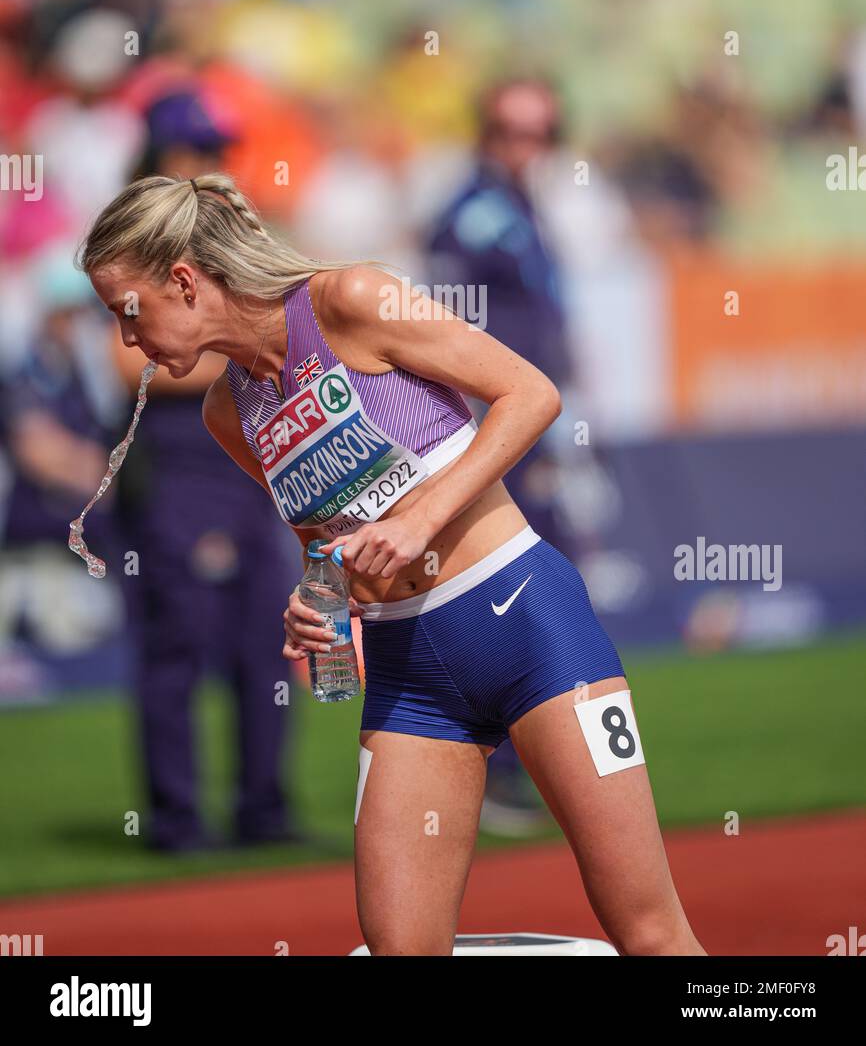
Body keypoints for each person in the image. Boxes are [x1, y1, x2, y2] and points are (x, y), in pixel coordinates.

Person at [77, 170, 706, 957]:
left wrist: (421, 517)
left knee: (648, 932)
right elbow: (322, 539)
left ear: (182, 279)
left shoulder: (351, 299)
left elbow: (531, 394)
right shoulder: (225, 411)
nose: (126, 339)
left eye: (127, 311)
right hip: (411, 677)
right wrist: (320, 606)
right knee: (401, 952)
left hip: (526, 623)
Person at [111, 90, 304, 853]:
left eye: (212, 152)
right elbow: (123, 364)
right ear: (157, 160)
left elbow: (293, 324)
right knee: (179, 644)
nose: (205, 167)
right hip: (177, 465)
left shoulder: (239, 239)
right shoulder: (130, 242)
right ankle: (177, 821)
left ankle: (265, 810)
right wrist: (237, 353)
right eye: (189, 153)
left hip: (248, 463)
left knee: (267, 639)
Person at [425, 77, 579, 833]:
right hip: (499, 426)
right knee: (510, 596)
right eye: (513, 132)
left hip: (536, 421)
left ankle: (531, 767)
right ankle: (494, 769)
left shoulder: (519, 207)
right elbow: (447, 330)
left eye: (541, 132)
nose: (527, 147)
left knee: (541, 591)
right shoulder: (472, 215)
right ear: (487, 132)